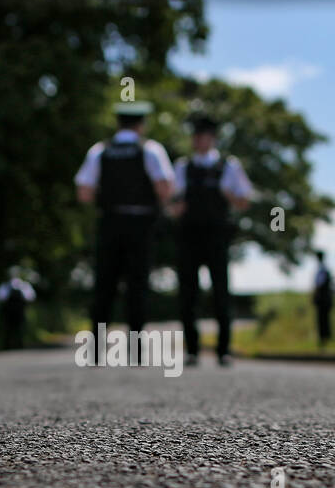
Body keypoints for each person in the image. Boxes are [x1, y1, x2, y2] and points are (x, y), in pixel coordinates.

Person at [75, 101, 174, 362]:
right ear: (141, 125)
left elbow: (84, 191)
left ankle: (96, 351)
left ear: (118, 123)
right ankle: (136, 351)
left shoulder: (100, 150)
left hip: (109, 222)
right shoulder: (150, 150)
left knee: (104, 285)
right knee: (137, 285)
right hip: (140, 224)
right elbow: (165, 188)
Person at [170, 113, 253, 367]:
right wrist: (175, 209)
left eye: (204, 136)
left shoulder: (229, 166)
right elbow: (171, 200)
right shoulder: (183, 167)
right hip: (189, 236)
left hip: (217, 236)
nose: (200, 140)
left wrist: (228, 195)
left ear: (213, 138)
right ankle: (192, 350)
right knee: (188, 294)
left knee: (221, 293)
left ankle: (223, 350)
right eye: (196, 136)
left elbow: (245, 200)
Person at [0, 272, 36, 350]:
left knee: (15, 328)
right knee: (12, 328)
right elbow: (31, 297)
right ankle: (13, 345)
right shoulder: (22, 285)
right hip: (12, 310)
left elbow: (1, 297)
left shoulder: (21, 285)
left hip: (16, 310)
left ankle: (15, 345)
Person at [312, 250, 334, 348]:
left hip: (323, 300)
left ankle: (324, 341)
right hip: (325, 299)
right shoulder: (324, 269)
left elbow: (319, 285)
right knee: (324, 320)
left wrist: (315, 296)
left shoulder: (322, 270)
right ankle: (325, 340)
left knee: (323, 321)